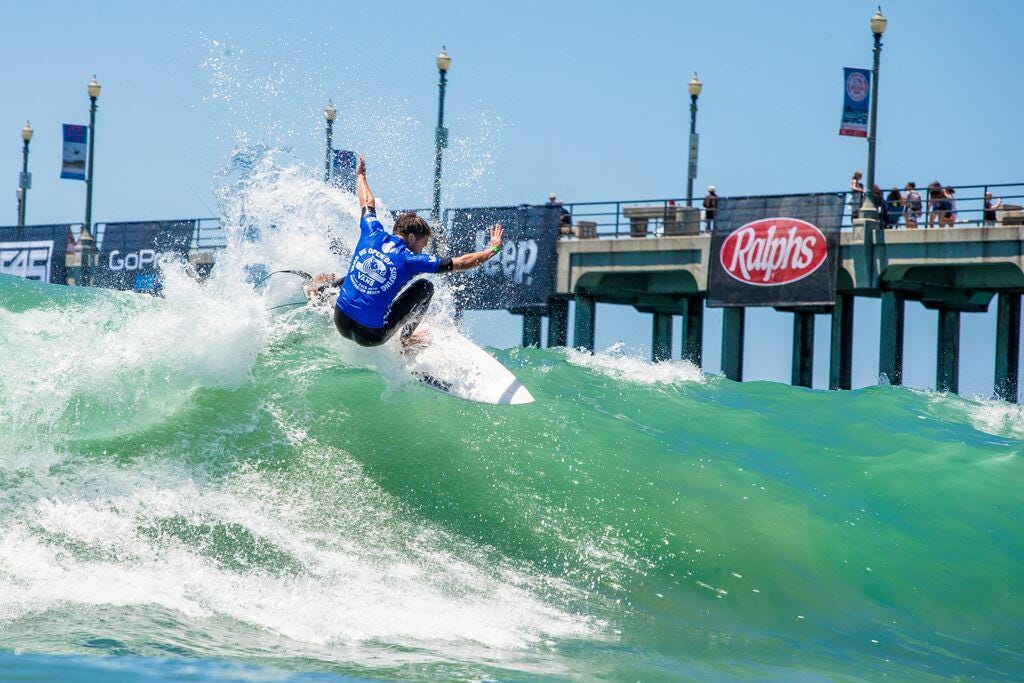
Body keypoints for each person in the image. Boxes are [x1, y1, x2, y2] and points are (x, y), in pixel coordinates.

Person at [311, 155, 505, 348]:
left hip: (341, 319)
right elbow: (461, 263)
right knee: (425, 287)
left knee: (366, 267)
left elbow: (367, 203)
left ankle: (320, 292)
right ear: (411, 238)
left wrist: (361, 177)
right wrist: (492, 250)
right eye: (423, 243)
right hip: (370, 336)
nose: (423, 249)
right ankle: (406, 341)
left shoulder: (372, 232)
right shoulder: (412, 260)